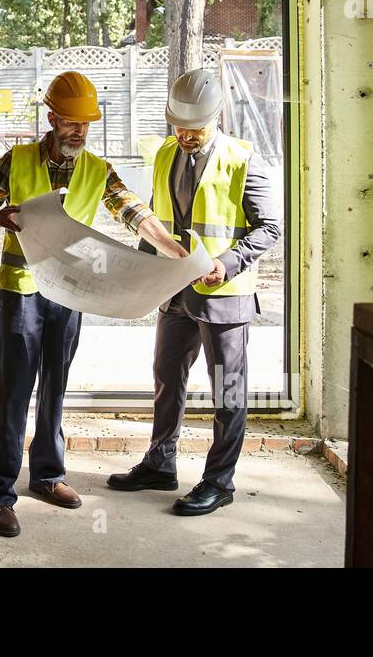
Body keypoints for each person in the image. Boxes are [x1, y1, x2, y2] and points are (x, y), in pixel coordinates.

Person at [0, 70, 187, 538]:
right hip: (23, 289)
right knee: (13, 391)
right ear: (52, 118)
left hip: (71, 291)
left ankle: (47, 476)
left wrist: (176, 253)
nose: (79, 132)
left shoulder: (97, 169)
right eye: (70, 123)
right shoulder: (17, 160)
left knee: (55, 388)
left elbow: (133, 213)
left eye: (86, 125)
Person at [107, 67, 282, 515]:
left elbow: (271, 228)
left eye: (194, 127)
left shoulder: (244, 159)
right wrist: (140, 266)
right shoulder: (166, 153)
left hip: (224, 297)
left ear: (217, 116)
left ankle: (218, 482)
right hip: (173, 293)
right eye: (179, 126)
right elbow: (158, 221)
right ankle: (160, 464)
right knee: (167, 380)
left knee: (228, 391)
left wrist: (226, 264)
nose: (185, 135)